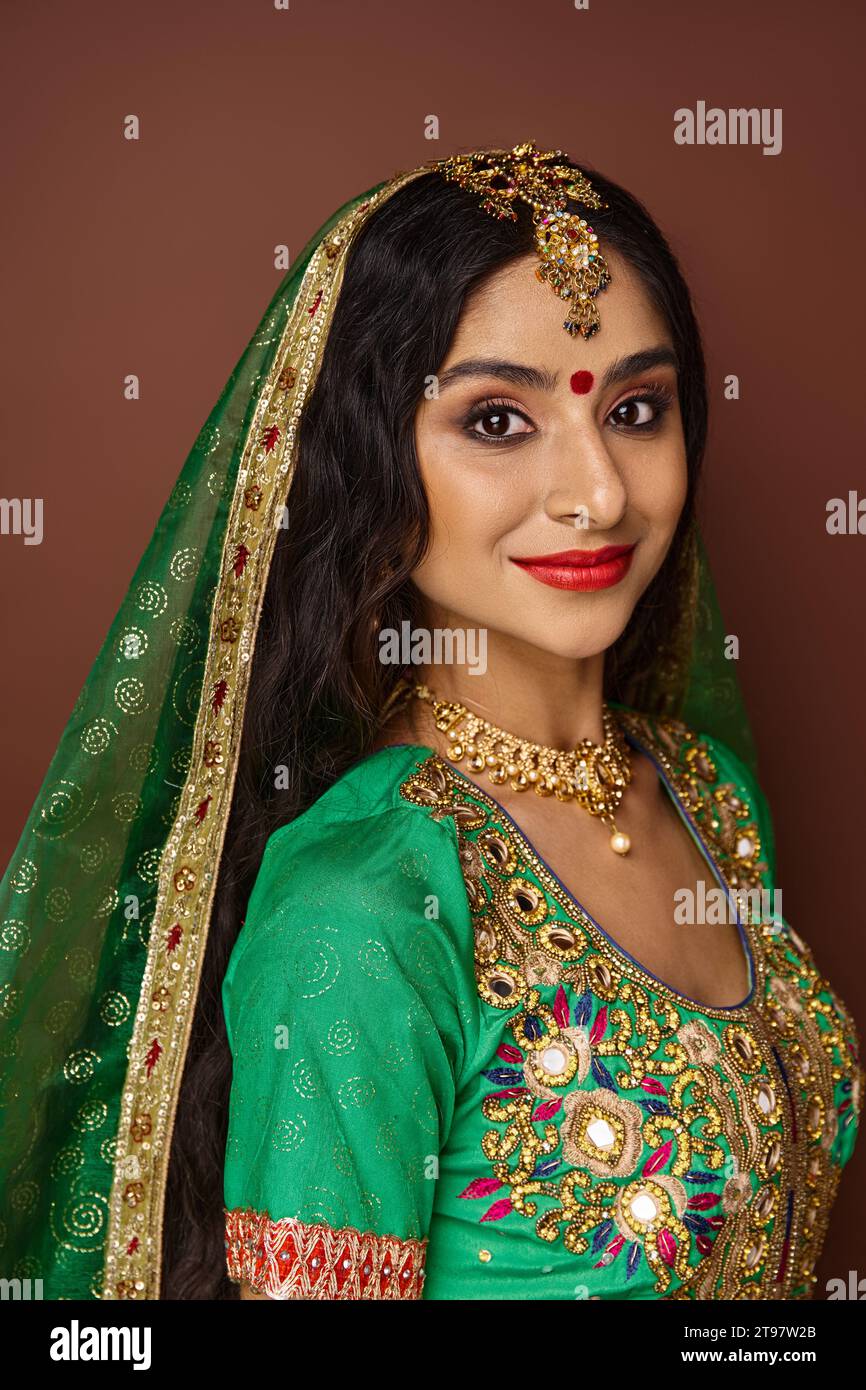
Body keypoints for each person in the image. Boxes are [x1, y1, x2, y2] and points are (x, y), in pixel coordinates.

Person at [0, 143, 860, 1303]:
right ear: (370, 463)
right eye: (497, 422)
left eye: (636, 408)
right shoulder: (365, 901)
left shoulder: (703, 790)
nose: (597, 491)